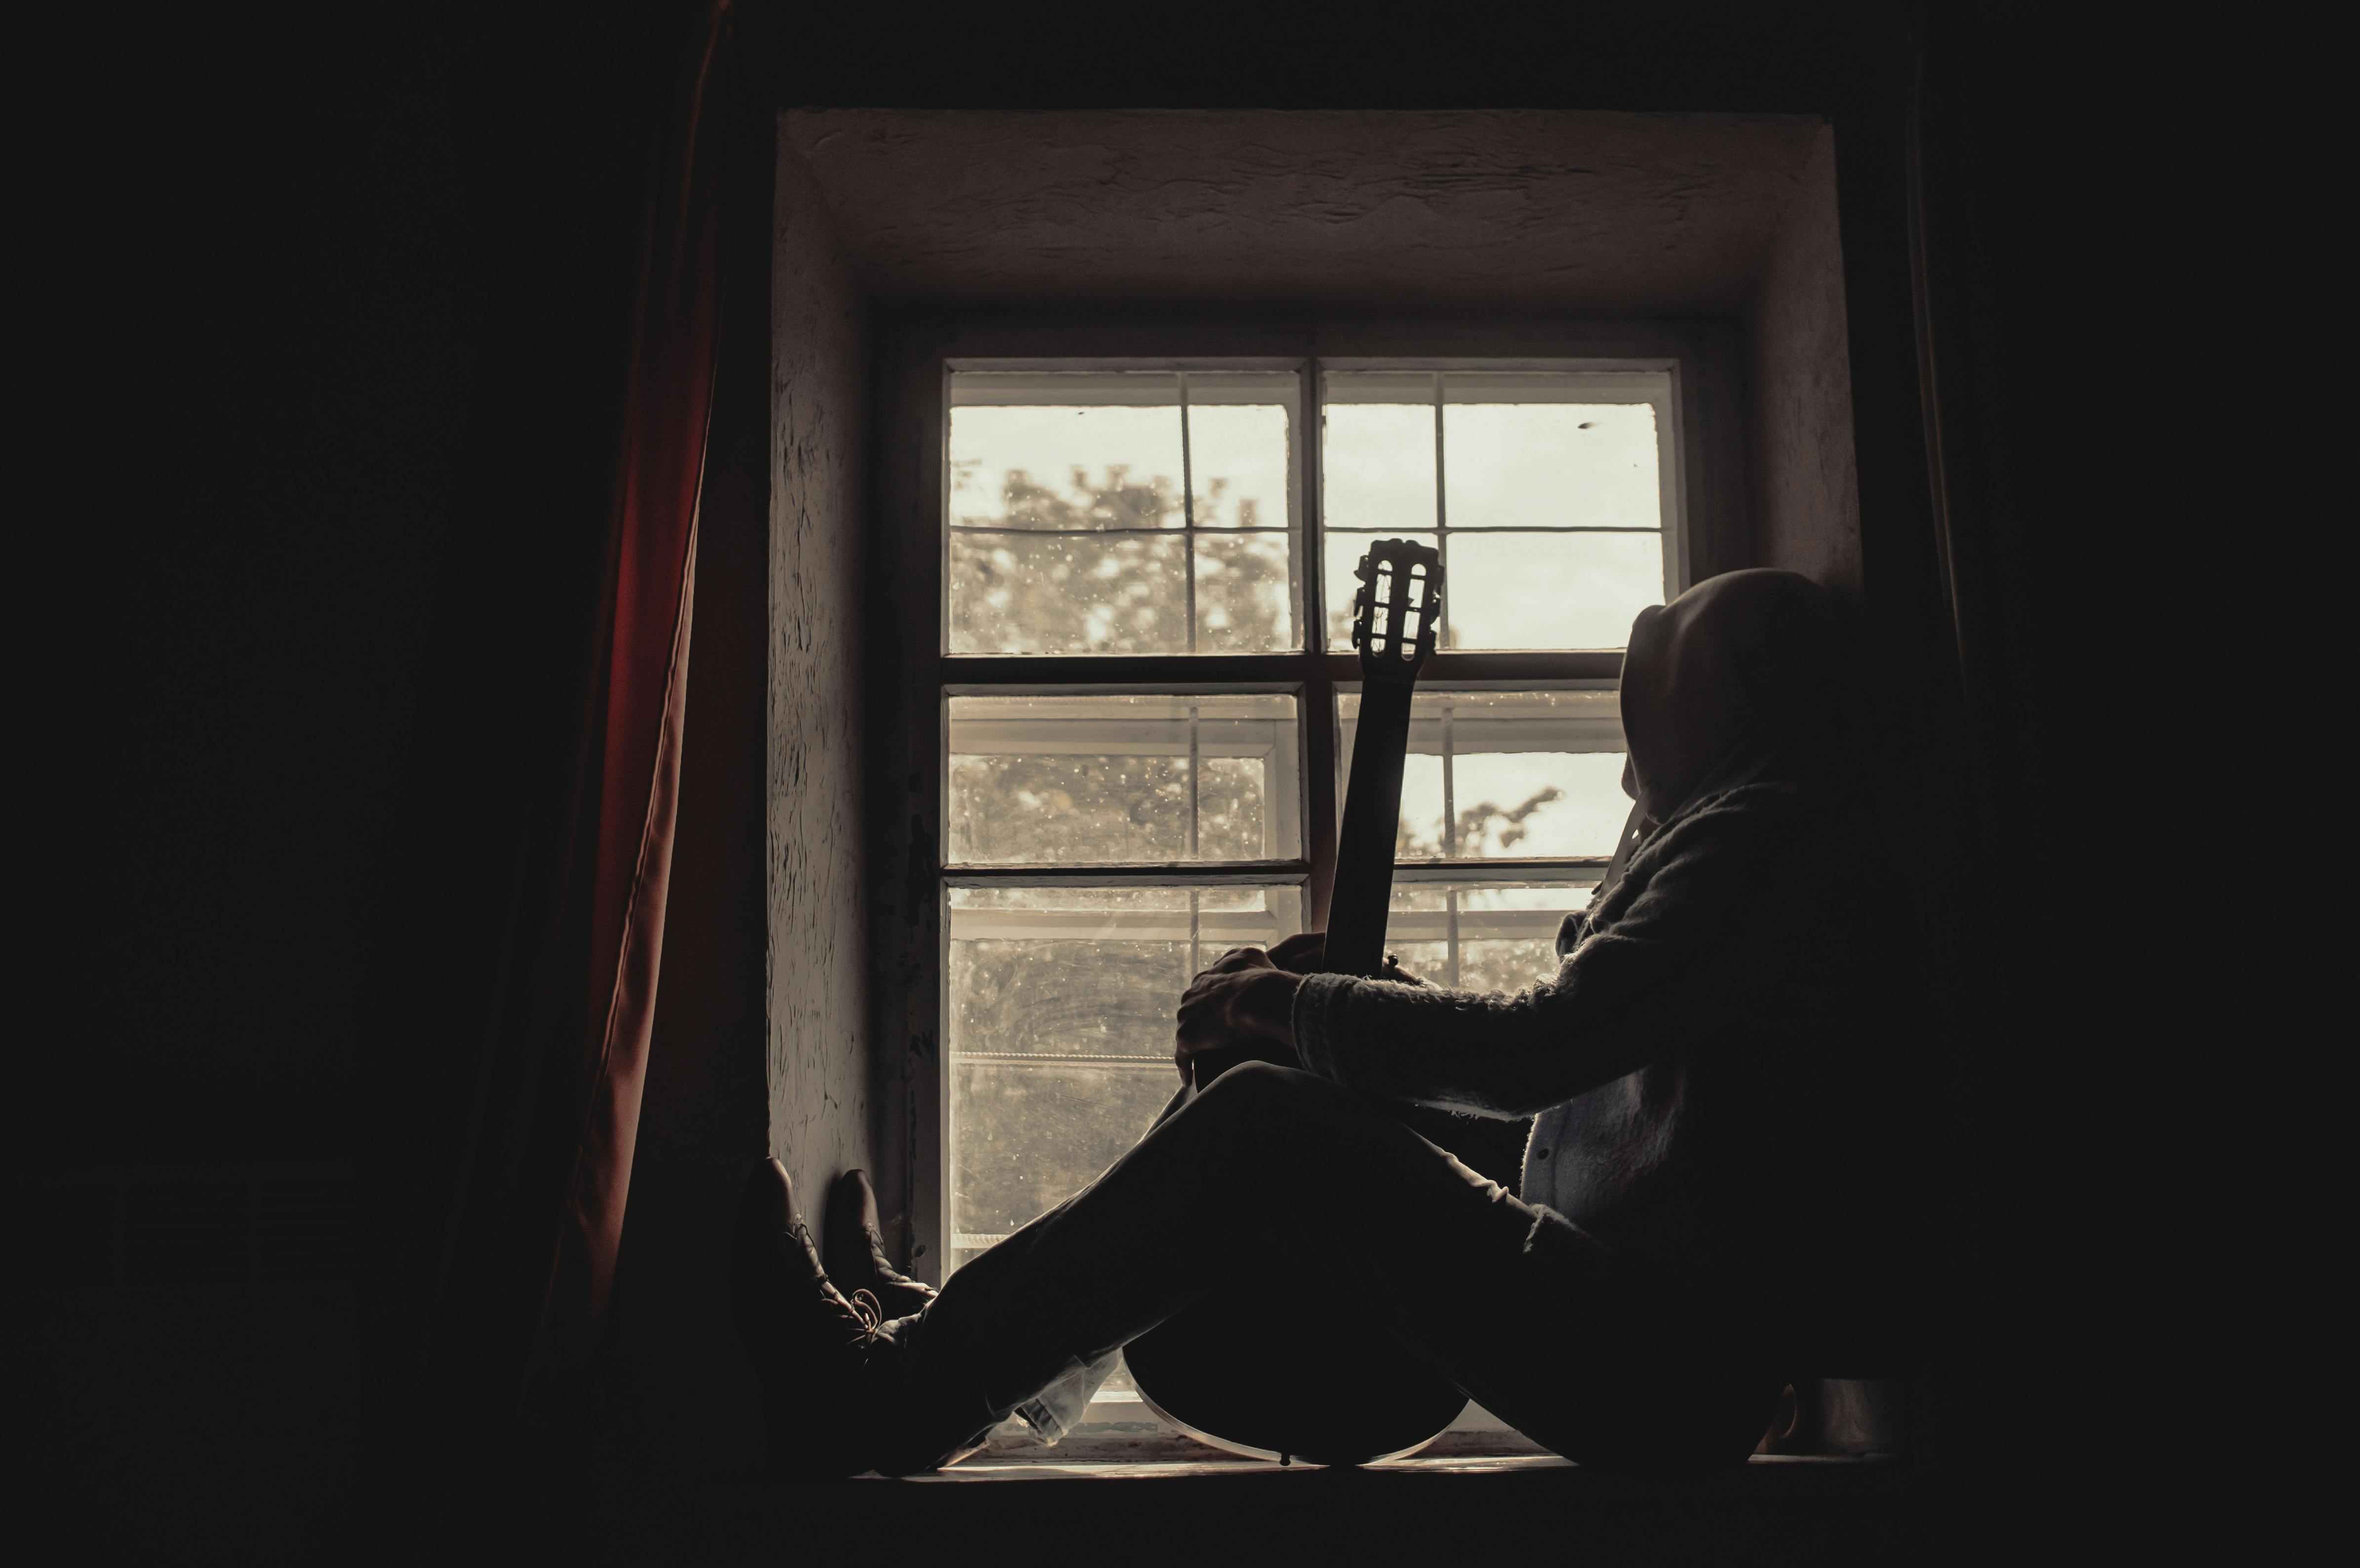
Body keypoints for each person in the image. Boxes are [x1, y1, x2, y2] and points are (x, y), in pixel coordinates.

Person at [731, 568, 1925, 1476]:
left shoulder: (1765, 834)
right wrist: (1316, 1018)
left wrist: (1284, 1000)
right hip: (1628, 1315)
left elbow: (1539, 1053)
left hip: (1655, 1368)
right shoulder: (1769, 823)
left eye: (1653, 712)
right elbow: (1582, 1075)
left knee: (1264, 1113)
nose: (1628, 768)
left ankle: (885, 1401)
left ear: (1714, 705)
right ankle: (959, 1353)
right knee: (1281, 1063)